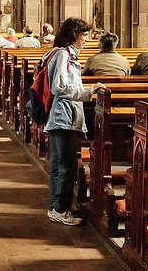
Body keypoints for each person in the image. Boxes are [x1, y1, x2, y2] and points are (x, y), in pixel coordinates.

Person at [43, 17, 105, 225]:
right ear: (74, 35)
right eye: (84, 35)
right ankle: (60, 208)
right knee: (67, 165)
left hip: (62, 115)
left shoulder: (64, 54)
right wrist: (88, 92)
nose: (87, 39)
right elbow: (58, 87)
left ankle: (55, 207)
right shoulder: (62, 54)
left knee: (59, 164)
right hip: (63, 115)